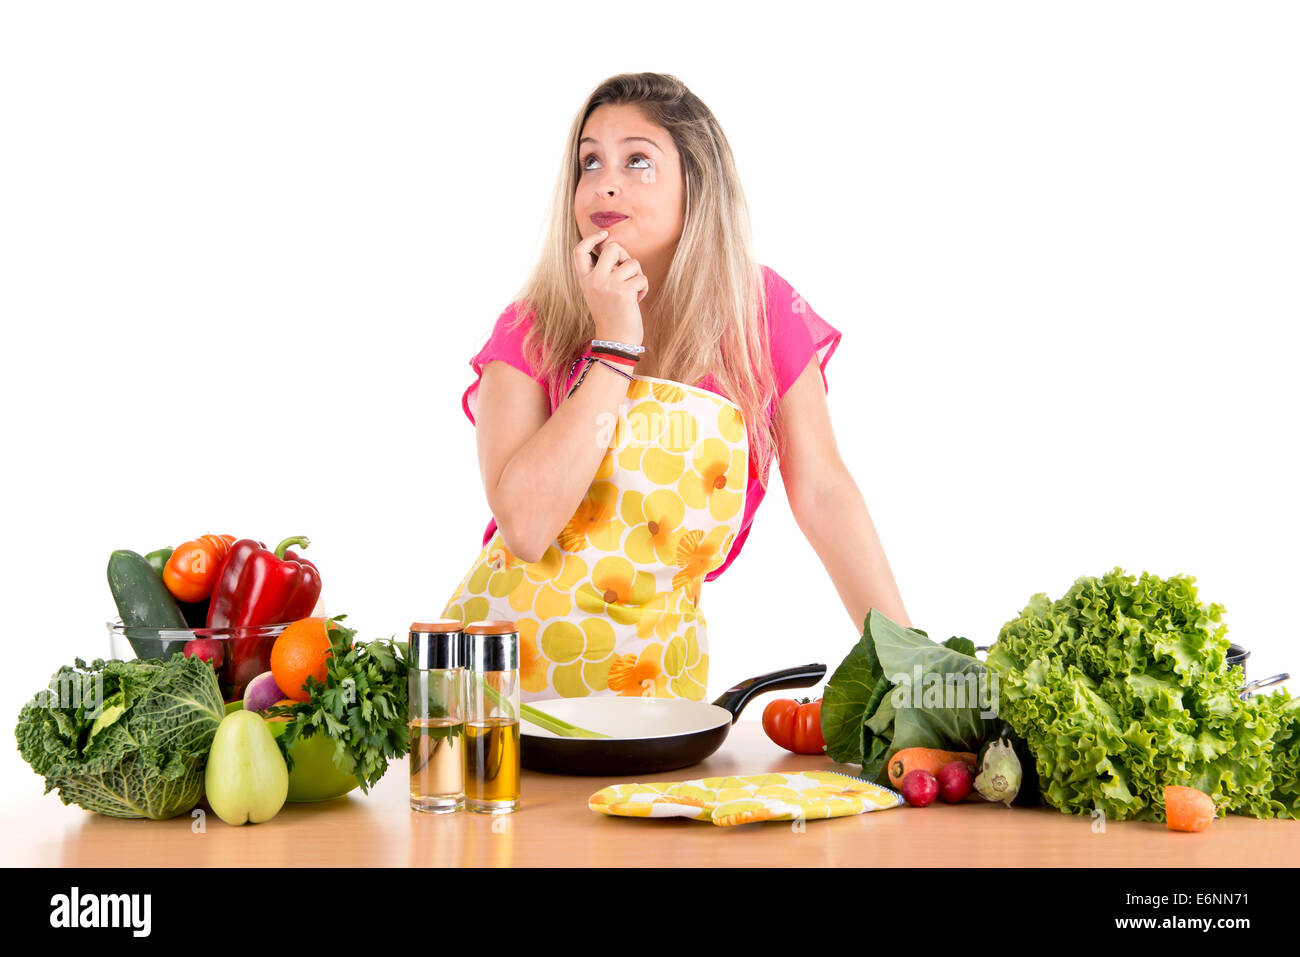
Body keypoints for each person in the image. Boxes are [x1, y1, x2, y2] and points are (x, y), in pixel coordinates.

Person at [442, 72, 910, 702]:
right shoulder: (532, 325)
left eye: (638, 160)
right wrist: (614, 342)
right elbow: (525, 526)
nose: (605, 181)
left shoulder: (759, 314)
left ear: (697, 182)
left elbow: (824, 493)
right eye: (590, 161)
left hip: (657, 701)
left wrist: (915, 670)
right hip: (493, 707)